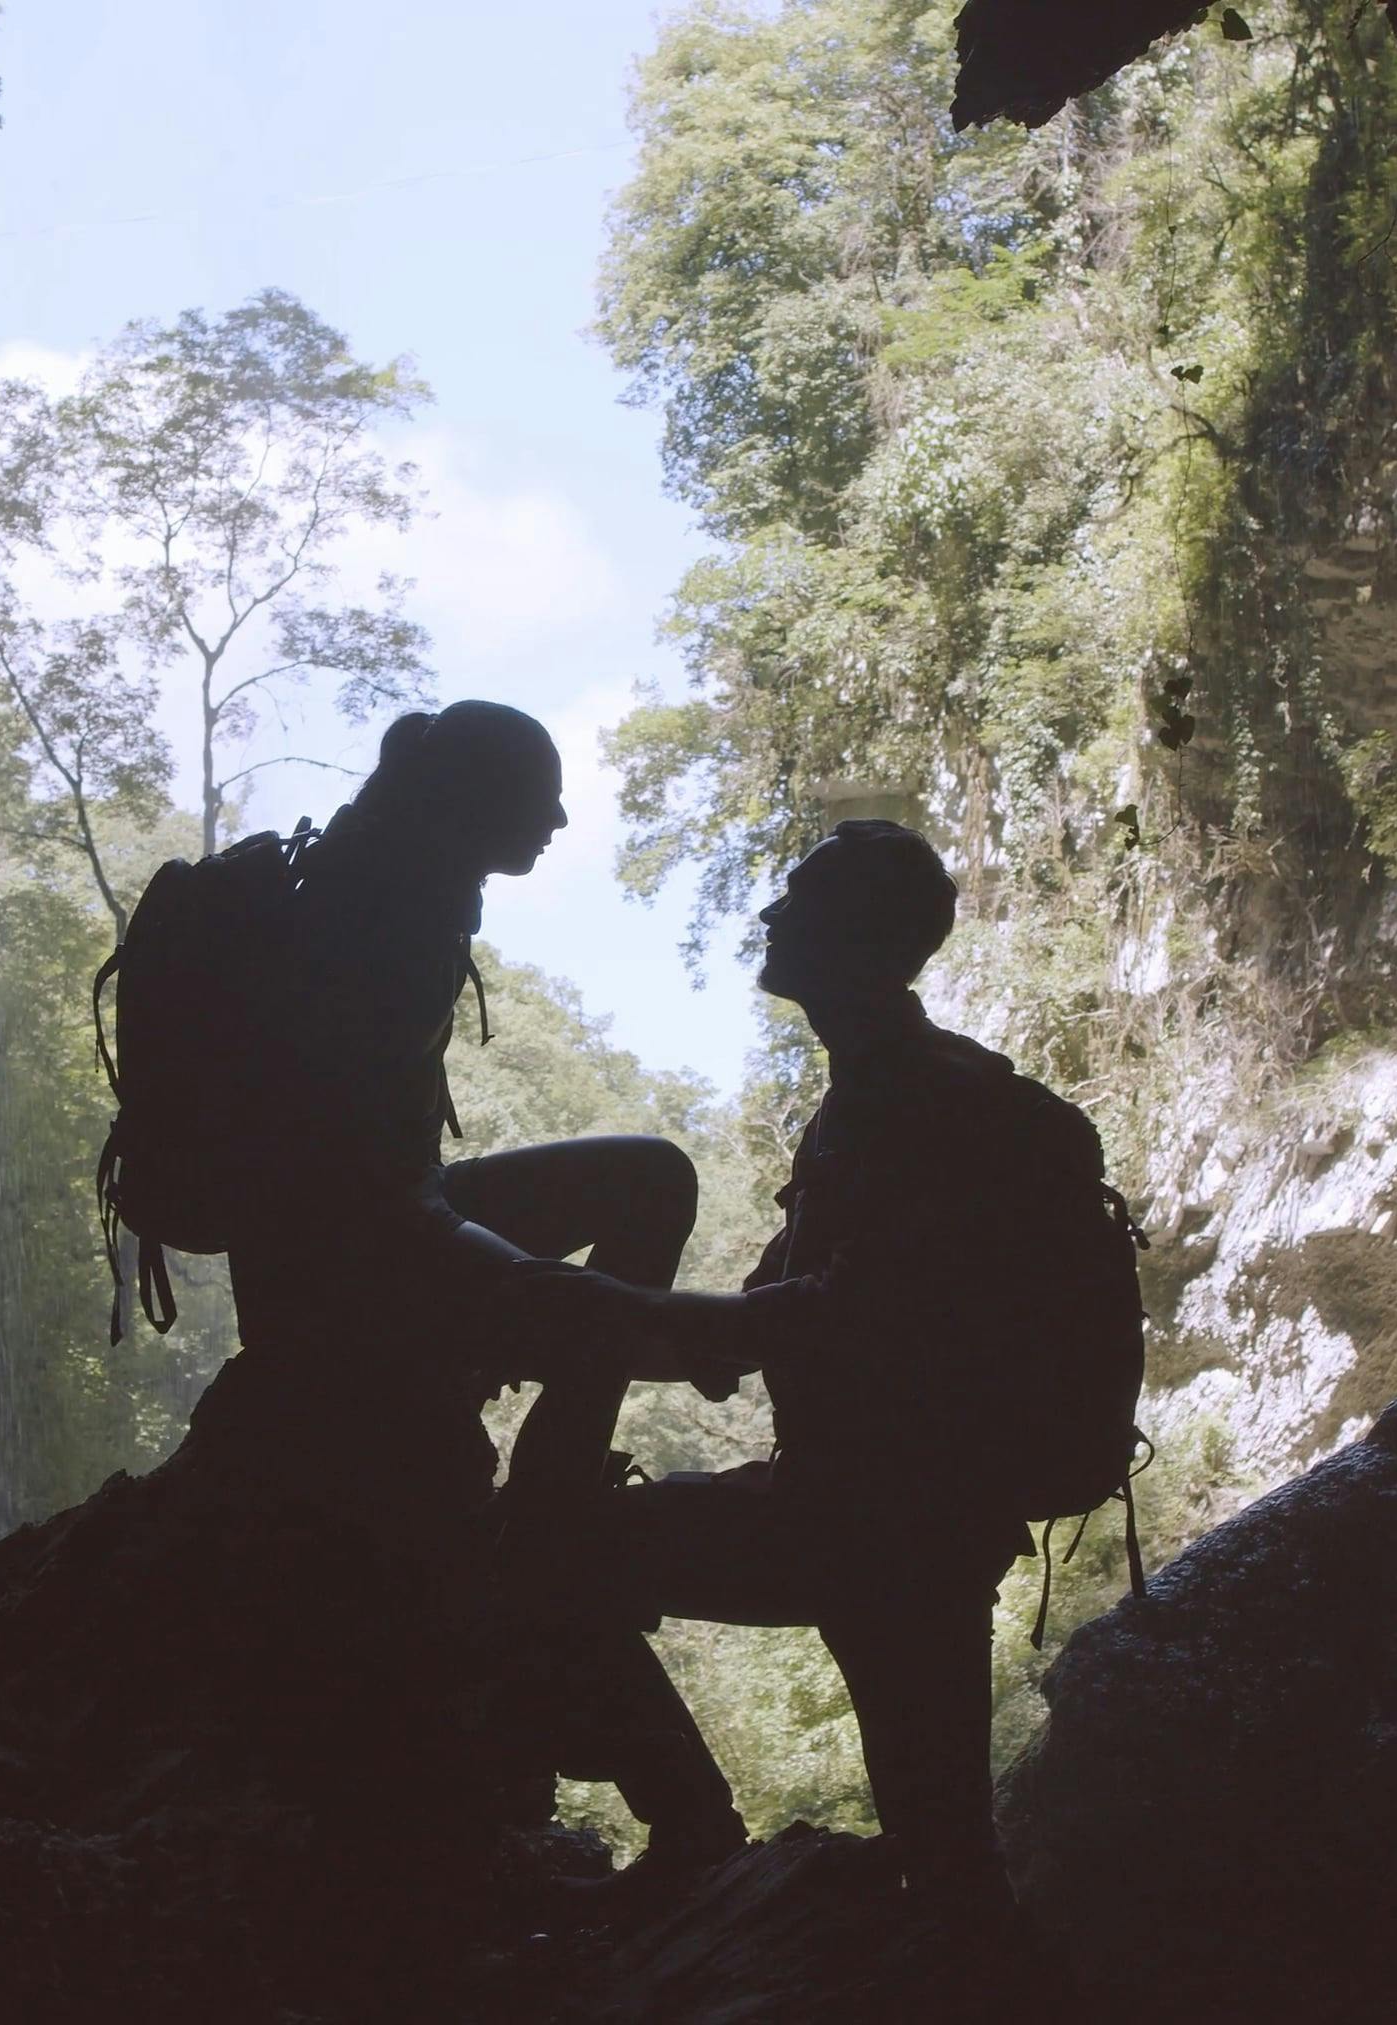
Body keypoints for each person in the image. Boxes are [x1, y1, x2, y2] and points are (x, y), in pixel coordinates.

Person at [163, 699, 747, 1857]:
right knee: (631, 1222)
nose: (560, 819)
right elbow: (357, 1191)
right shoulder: (375, 916)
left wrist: (520, 1283)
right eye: (538, 797)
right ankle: (552, 1500)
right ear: (469, 802)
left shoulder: (386, 884)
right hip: (341, 1277)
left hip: (368, 1236)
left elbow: (380, 1174)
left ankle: (551, 1482)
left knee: (647, 1183)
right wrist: (528, 1286)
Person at [514, 820, 1065, 1916]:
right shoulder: (872, 1099)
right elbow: (745, 1330)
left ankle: (697, 1838)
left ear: (863, 935)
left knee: (948, 1855)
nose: (772, 913)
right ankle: (699, 1838)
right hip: (876, 1516)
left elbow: (832, 1316)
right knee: (948, 1848)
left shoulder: (922, 1100)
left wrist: (614, 1307)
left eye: (800, 898)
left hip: (892, 1526)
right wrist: (578, 1330)